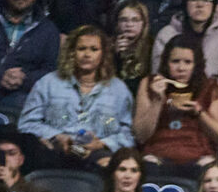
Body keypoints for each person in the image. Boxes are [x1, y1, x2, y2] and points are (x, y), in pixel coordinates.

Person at [18, 26, 135, 170]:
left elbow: (128, 136)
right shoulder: (48, 83)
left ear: (103, 54)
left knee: (110, 165)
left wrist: (101, 143)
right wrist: (57, 136)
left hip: (98, 155)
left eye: (94, 49)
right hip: (54, 151)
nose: (87, 54)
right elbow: (26, 124)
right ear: (71, 52)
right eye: (81, 49)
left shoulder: (119, 89)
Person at [136, 36, 218, 173]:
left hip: (198, 156)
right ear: (166, 63)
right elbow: (141, 136)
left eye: (187, 62)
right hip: (158, 155)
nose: (181, 68)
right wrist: (157, 101)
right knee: (148, 164)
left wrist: (199, 113)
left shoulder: (209, 87)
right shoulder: (149, 83)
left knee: (209, 167)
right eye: (175, 62)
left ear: (196, 65)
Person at [151, 0, 218, 120]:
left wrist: (202, 100)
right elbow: (158, 76)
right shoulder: (166, 34)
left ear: (214, 5)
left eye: (206, 0)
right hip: (173, 98)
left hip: (215, 101)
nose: (200, 5)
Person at [110, 0, 153, 95]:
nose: (129, 25)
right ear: (117, 23)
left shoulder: (151, 47)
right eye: (123, 20)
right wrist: (114, 56)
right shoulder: (107, 46)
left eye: (135, 20)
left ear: (144, 23)